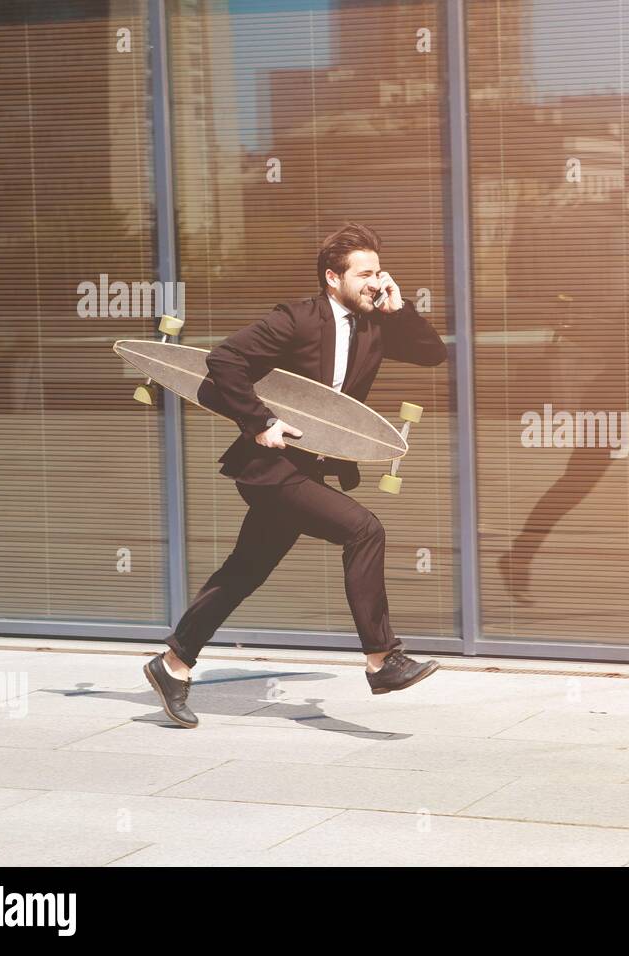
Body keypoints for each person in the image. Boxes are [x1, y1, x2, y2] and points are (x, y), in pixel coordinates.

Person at [143, 222, 447, 728]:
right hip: (271, 469)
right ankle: (382, 660)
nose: (375, 281)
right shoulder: (297, 319)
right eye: (365, 273)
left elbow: (433, 354)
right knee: (364, 530)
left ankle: (173, 665)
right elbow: (225, 359)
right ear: (333, 277)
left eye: (379, 272)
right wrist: (259, 421)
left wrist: (401, 307)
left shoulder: (376, 323)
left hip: (309, 470)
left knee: (244, 572)